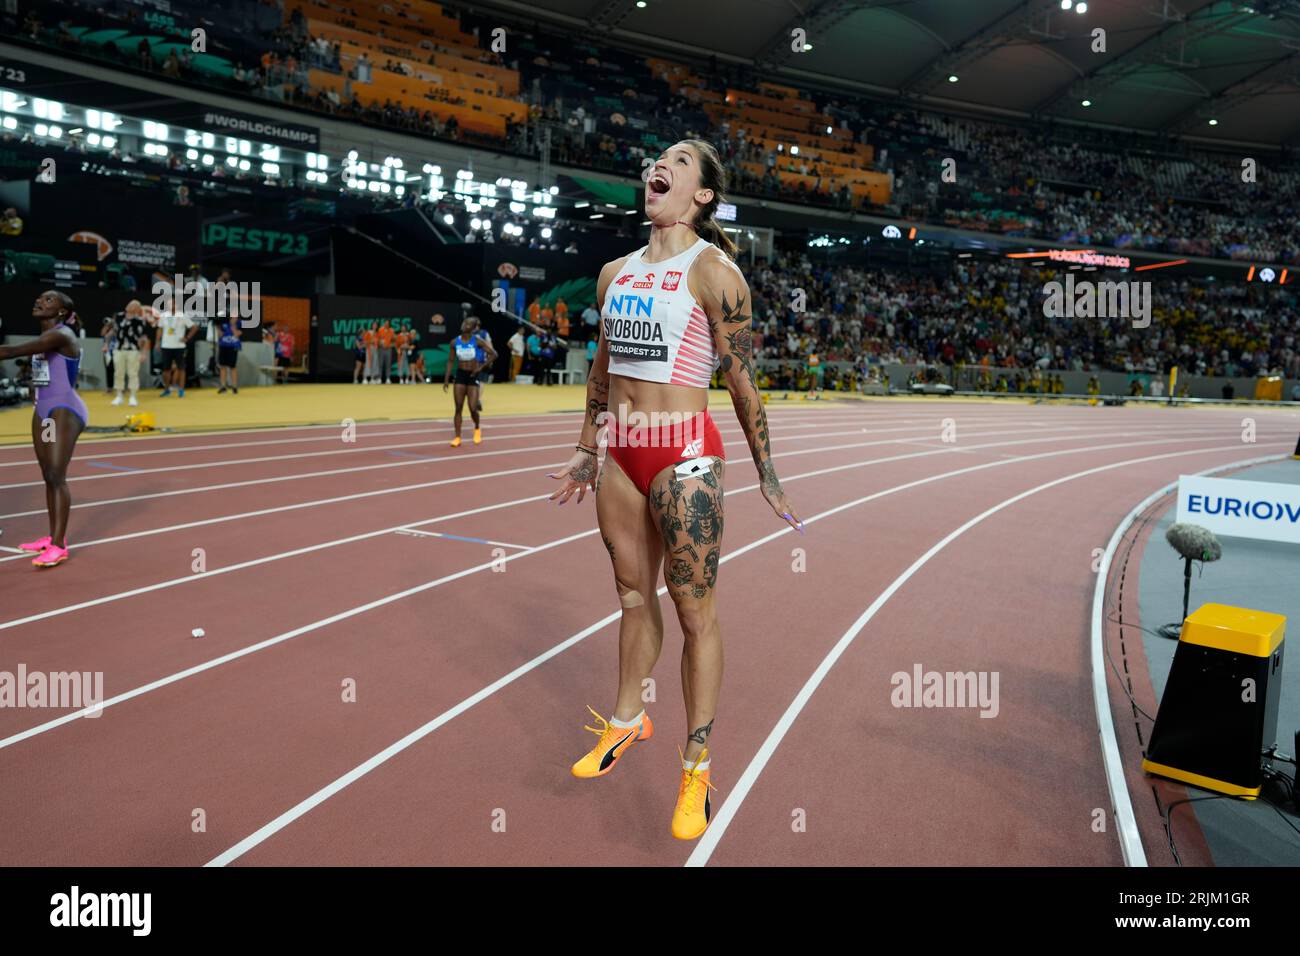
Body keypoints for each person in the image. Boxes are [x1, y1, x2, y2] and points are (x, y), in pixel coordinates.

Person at [548, 140, 801, 840]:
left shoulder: (715, 273)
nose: (657, 166)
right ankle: (629, 720)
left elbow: (743, 380)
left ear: (703, 196)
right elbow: (601, 372)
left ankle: (697, 768)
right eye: (656, 159)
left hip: (684, 455)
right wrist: (582, 448)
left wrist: (769, 474)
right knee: (632, 597)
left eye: (680, 162)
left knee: (696, 616)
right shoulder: (612, 274)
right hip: (621, 453)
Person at [0, 291, 88, 567]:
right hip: (43, 410)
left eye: (49, 300)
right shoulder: (43, 341)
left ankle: (59, 546)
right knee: (48, 475)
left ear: (61, 312)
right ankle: (52, 538)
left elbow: (11, 351)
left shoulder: (62, 335)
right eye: (38, 298)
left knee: (56, 474)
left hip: (64, 409)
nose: (39, 301)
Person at [443, 316, 497, 447]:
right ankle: (457, 437)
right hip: (460, 376)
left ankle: (477, 428)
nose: (464, 325)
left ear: (473, 328)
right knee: (458, 408)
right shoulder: (454, 342)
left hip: (473, 376)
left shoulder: (477, 341)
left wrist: (480, 368)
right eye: (464, 322)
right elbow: (450, 361)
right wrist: (446, 379)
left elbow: (494, 354)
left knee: (473, 408)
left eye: (468, 324)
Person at [109, 299, 151, 407]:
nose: (129, 306)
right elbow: (113, 331)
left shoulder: (140, 320)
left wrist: (144, 353)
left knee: (133, 373)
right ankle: (119, 396)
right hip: (118, 349)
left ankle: (133, 396)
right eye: (129, 304)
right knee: (118, 373)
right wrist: (106, 344)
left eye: (133, 305)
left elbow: (145, 338)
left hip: (133, 350)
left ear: (137, 309)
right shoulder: (118, 316)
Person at [158, 307, 197, 397]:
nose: (171, 306)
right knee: (166, 369)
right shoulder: (163, 316)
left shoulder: (182, 316)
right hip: (166, 346)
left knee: (181, 368)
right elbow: (159, 329)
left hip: (179, 346)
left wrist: (187, 338)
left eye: (173, 304)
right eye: (169, 304)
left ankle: (181, 390)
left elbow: (194, 327)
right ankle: (167, 389)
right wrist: (157, 341)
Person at [216, 315, 242, 393]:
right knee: (222, 366)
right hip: (223, 346)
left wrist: (233, 325)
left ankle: (234, 386)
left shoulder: (239, 324)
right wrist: (217, 327)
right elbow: (220, 335)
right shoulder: (223, 324)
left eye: (236, 317)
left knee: (232, 367)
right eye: (234, 317)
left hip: (233, 347)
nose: (235, 318)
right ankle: (223, 386)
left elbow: (237, 334)